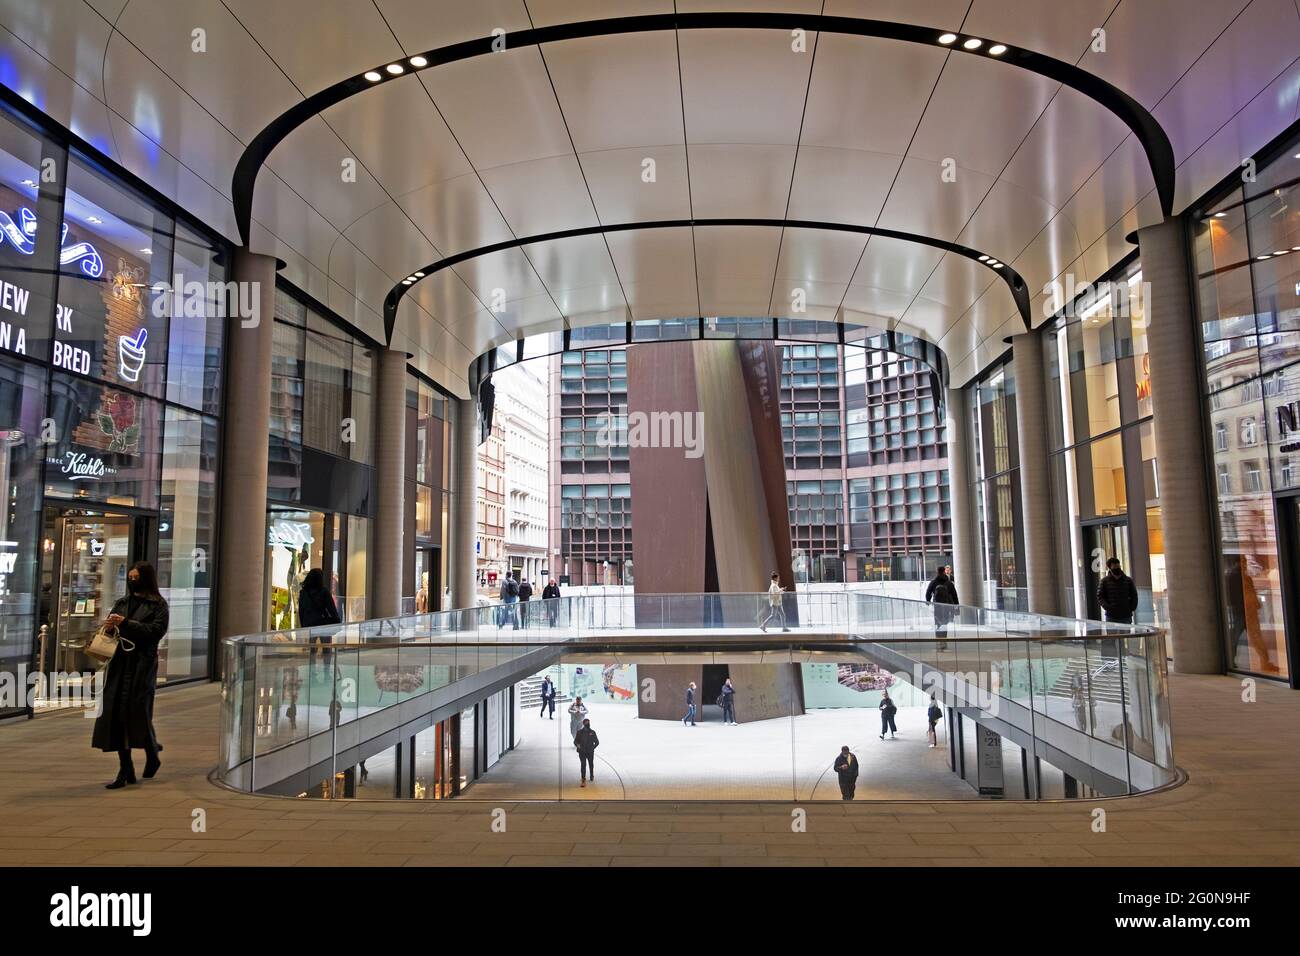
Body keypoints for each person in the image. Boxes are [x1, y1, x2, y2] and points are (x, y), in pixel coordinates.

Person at [91, 561, 168, 789]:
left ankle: (151, 752)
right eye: (130, 577)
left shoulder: (158, 605)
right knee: (116, 715)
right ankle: (126, 768)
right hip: (120, 664)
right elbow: (112, 631)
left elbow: (155, 632)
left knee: (138, 712)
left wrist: (127, 623)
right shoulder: (122, 603)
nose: (132, 581)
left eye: (136, 577)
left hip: (142, 665)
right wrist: (110, 627)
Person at [298, 568, 341, 674]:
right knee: (326, 648)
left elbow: (301, 610)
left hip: (310, 625)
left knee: (312, 649)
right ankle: (326, 671)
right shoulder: (323, 591)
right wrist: (337, 621)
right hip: (323, 625)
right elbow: (331, 608)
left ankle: (312, 671)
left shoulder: (304, 592)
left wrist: (304, 625)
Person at [1097, 558, 1139, 624]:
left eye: (1118, 566)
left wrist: (1131, 608)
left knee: (1126, 634)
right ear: (1110, 568)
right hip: (1111, 616)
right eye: (1115, 566)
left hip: (1126, 615)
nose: (1117, 568)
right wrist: (1108, 608)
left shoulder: (1128, 580)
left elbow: (1134, 595)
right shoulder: (1104, 581)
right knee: (1112, 634)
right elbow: (1100, 597)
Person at [926, 566, 959, 651]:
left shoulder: (933, 582)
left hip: (937, 606)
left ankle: (938, 642)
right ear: (944, 571)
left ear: (937, 572)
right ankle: (944, 642)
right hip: (947, 606)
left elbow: (928, 592)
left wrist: (928, 601)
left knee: (938, 624)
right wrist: (956, 606)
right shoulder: (949, 583)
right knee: (945, 624)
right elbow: (954, 595)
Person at [574, 718, 599, 787]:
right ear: (583, 724)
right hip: (582, 752)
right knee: (583, 765)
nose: (588, 724)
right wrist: (577, 745)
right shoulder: (579, 732)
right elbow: (575, 741)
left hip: (590, 752)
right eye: (586, 723)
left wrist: (592, 748)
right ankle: (583, 779)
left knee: (591, 764)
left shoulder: (592, 732)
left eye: (589, 723)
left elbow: (597, 742)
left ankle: (591, 775)